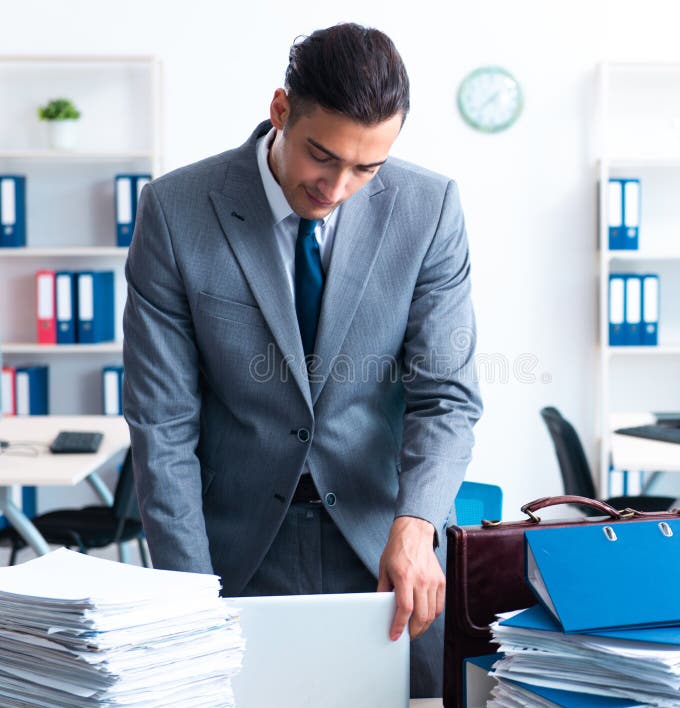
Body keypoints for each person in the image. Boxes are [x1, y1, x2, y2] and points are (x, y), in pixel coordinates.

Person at [122, 22, 482, 698]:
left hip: (386, 544)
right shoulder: (175, 211)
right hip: (236, 552)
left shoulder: (429, 210)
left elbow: (447, 397)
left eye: (366, 168)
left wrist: (417, 524)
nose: (338, 186)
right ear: (281, 110)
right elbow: (162, 425)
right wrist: (189, 599)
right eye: (323, 156)